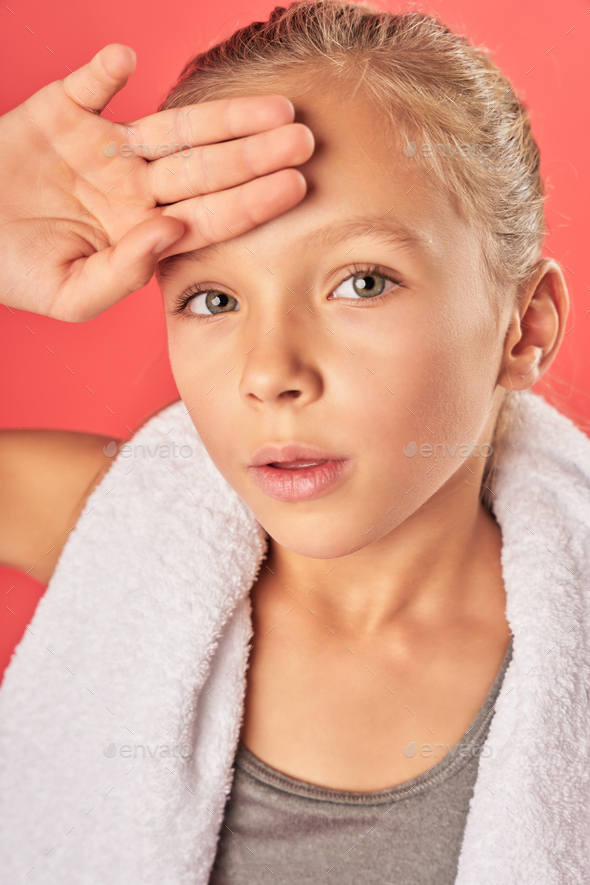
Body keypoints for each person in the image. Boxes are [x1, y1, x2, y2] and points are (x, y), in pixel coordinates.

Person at [0, 1, 589, 883]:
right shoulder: (109, 525)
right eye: (213, 300)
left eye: (361, 281)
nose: (271, 370)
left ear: (522, 326)